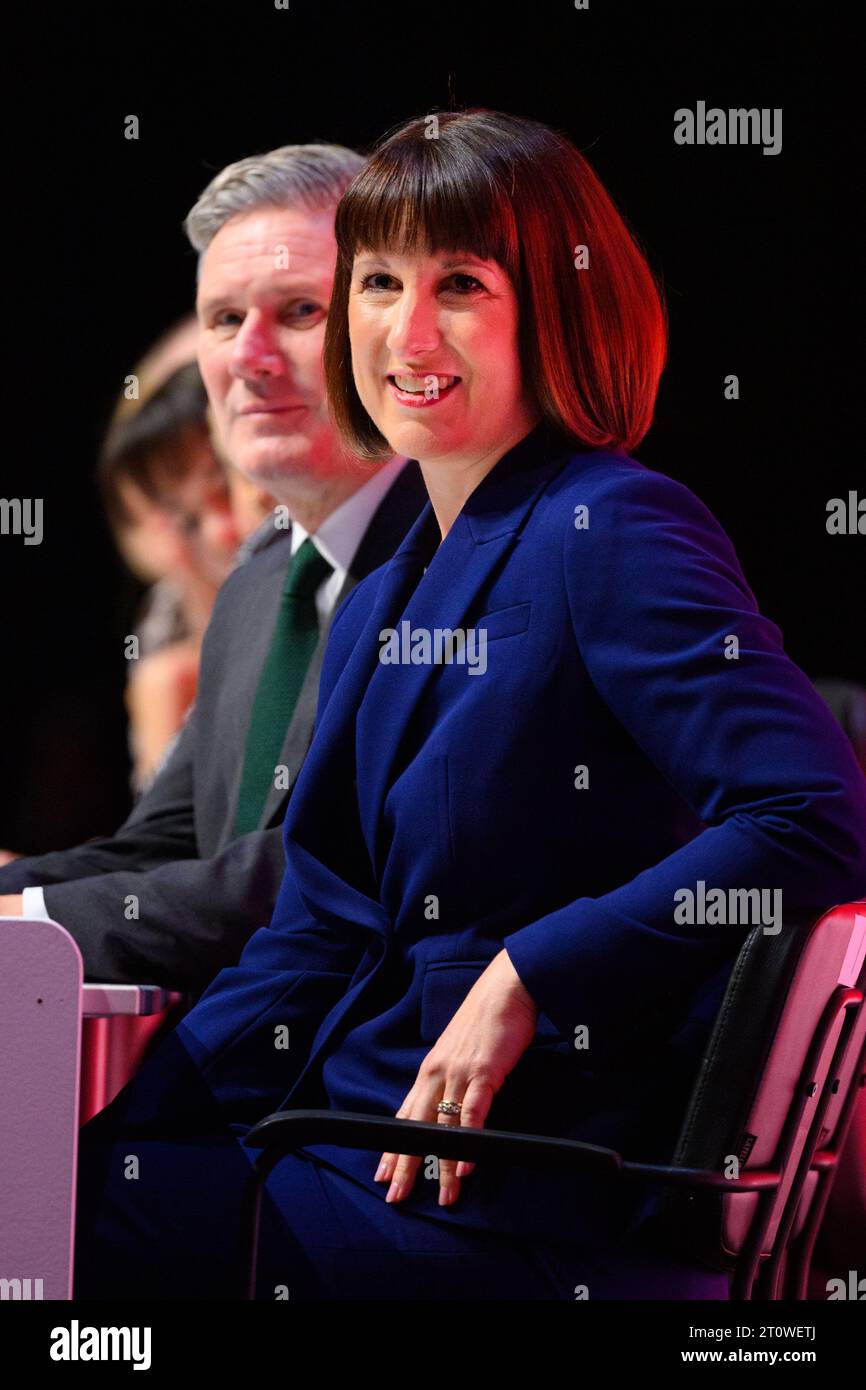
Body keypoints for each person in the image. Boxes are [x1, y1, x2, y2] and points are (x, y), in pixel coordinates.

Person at [72, 109, 866, 1300]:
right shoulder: (396, 574)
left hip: (500, 1199)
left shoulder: (611, 526)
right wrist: (110, 1145)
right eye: (379, 282)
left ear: (553, 307)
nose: (406, 329)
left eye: (462, 285)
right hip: (350, 1153)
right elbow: (321, 927)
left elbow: (812, 812)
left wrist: (529, 976)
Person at [0, 144, 427, 991]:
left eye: (299, 311)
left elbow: (326, 867)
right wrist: (15, 893)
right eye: (224, 320)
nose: (250, 357)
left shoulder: (462, 552)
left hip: (372, 1086)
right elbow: (163, 847)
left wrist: (30, 923)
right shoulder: (266, 570)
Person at [98, 358, 248, 793]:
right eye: (189, 520)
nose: (220, 531)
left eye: (223, 485)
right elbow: (162, 846)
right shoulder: (172, 667)